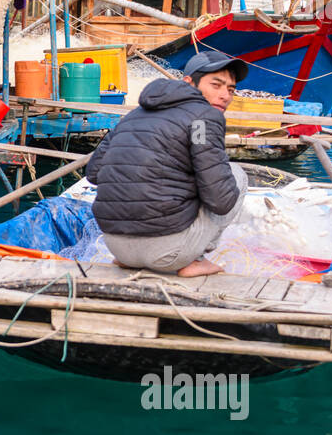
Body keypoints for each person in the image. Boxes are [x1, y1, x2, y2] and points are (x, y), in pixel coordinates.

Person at [86, 50, 250, 277]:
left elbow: (93, 173)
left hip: (117, 248)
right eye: (216, 85)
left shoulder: (134, 115)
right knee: (236, 174)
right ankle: (195, 260)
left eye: (230, 89)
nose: (225, 96)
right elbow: (220, 200)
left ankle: (138, 256)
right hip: (169, 254)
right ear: (189, 83)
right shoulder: (203, 120)